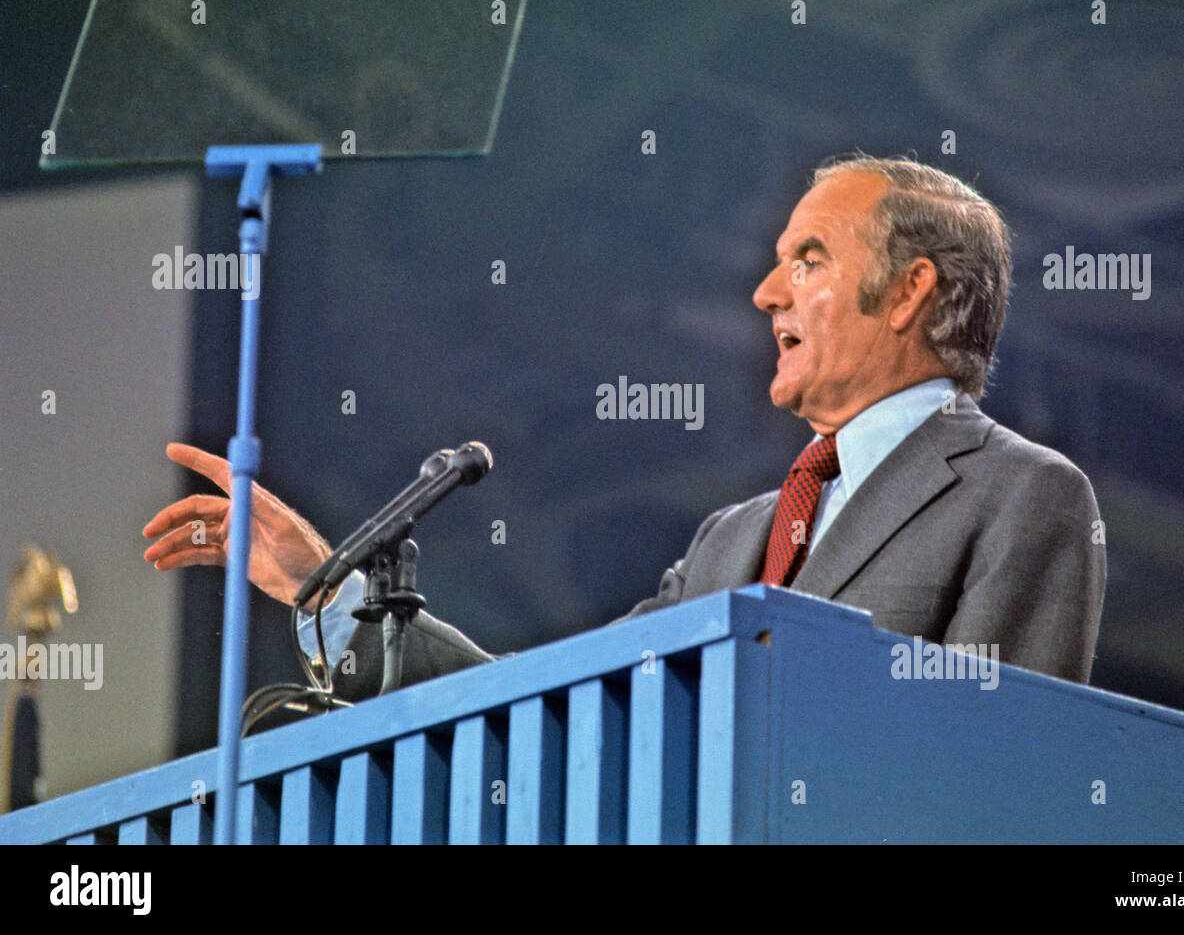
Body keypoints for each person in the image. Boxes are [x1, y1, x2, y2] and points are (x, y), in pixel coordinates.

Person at [143, 155, 1105, 699]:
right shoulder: (732, 538)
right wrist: (333, 591)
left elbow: (997, 781)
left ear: (908, 292)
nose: (768, 291)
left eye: (808, 258)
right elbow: (547, 703)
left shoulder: (1022, 494)